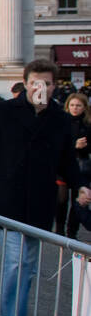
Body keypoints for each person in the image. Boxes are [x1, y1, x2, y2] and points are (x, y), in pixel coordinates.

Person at [0, 60, 89, 316]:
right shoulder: (2, 111)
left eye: (46, 83)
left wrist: (80, 185)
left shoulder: (59, 118)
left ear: (54, 86)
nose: (40, 88)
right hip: (6, 199)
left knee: (26, 265)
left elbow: (67, 160)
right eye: (35, 82)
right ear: (26, 84)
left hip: (40, 202)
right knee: (18, 261)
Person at [56, 92, 91, 239]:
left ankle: (72, 232)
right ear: (67, 106)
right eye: (72, 105)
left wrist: (84, 147)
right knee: (61, 200)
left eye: (78, 105)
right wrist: (74, 145)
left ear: (84, 107)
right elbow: (56, 145)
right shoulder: (61, 122)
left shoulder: (88, 124)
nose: (75, 108)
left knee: (78, 201)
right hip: (63, 166)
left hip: (82, 167)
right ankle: (59, 230)